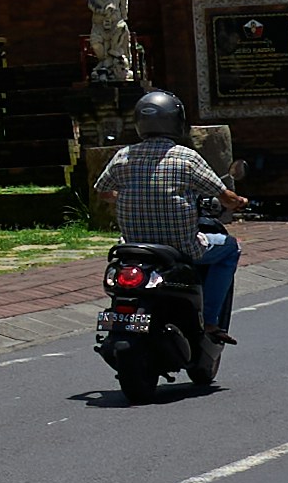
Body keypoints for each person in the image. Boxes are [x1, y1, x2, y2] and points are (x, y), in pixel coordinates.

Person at [100, 85, 239, 339]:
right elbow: (224, 196)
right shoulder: (185, 157)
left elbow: (103, 191)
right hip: (182, 247)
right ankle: (209, 321)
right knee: (230, 248)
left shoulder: (123, 156)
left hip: (133, 248)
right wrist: (238, 201)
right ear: (176, 121)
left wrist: (122, 197)